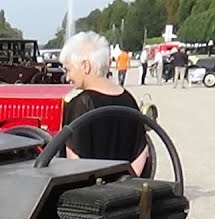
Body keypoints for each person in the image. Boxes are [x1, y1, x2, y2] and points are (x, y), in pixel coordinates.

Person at [59, 31, 150, 176]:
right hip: (125, 191)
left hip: (91, 193)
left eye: (68, 69)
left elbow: (74, 159)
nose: (68, 77)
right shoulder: (128, 99)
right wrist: (127, 184)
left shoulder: (80, 104)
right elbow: (141, 151)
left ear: (85, 66)